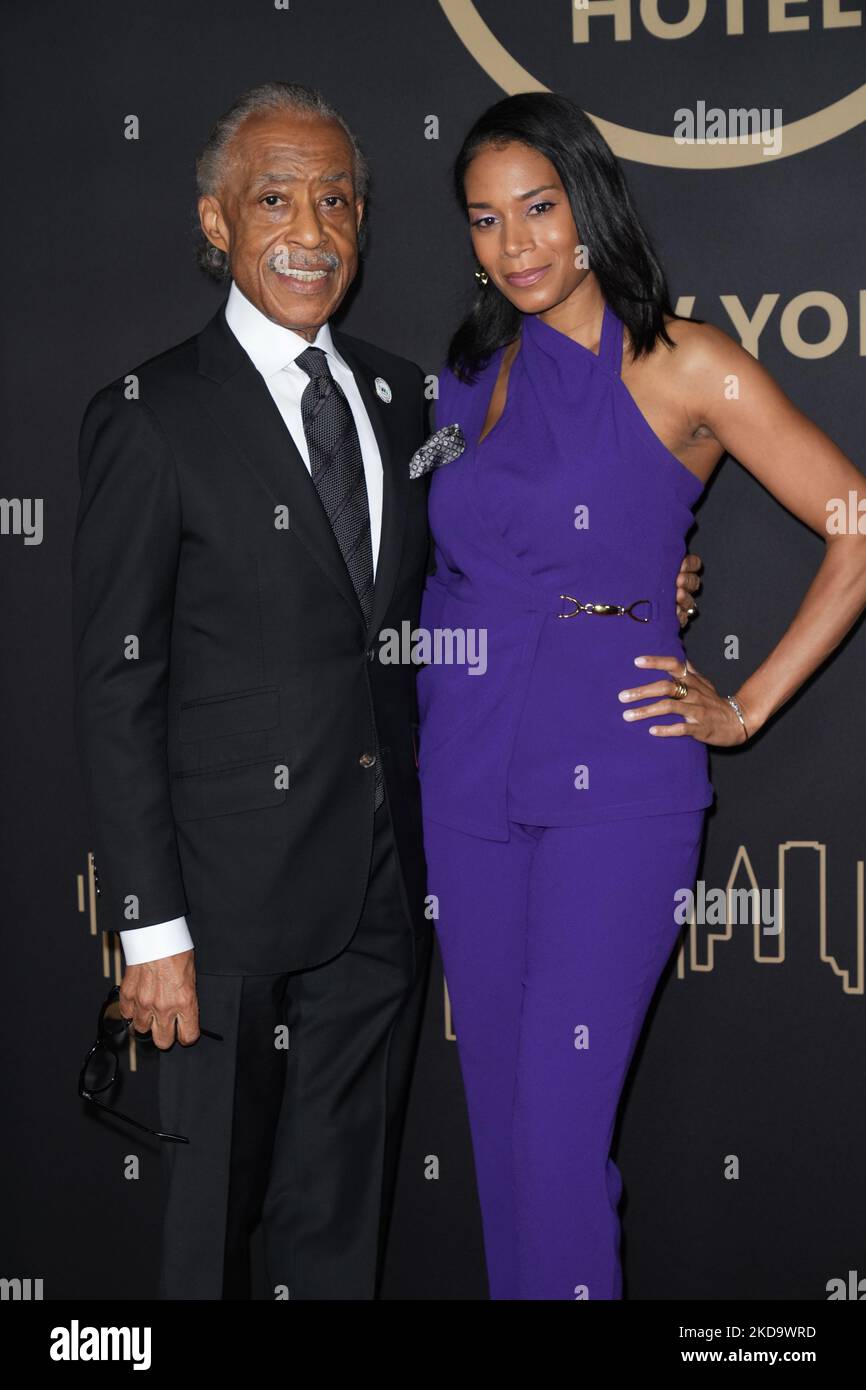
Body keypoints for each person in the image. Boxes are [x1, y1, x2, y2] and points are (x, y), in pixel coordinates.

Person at [71, 78, 700, 1301]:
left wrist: (640, 578)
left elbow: (492, 562)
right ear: (215, 223)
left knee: (337, 1219)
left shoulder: (413, 399)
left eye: (338, 199)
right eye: (273, 198)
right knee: (207, 1230)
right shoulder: (148, 416)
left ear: (363, 226)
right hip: (223, 908)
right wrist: (151, 929)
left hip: (385, 886)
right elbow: (114, 683)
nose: (310, 226)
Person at [417, 92, 866, 1300]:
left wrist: (749, 703)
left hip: (612, 778)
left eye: (537, 209)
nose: (514, 245)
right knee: (506, 1146)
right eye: (484, 220)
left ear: (588, 203)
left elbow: (853, 524)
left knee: (557, 1139)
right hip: (461, 771)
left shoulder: (684, 359)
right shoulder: (465, 382)